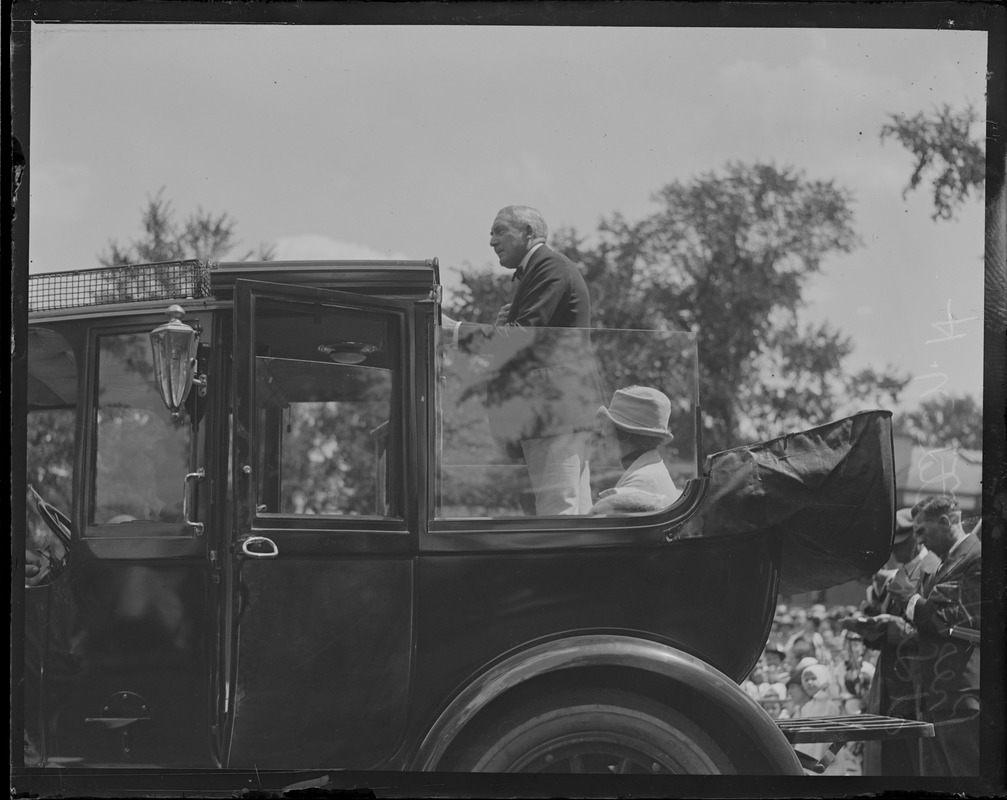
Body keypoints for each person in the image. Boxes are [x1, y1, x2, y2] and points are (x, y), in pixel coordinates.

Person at [442, 205, 597, 516]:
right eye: (491, 233)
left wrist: (454, 331)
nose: (491, 241)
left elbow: (518, 338)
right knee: (574, 515)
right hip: (554, 414)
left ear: (529, 232)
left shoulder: (549, 266)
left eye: (499, 231)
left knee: (557, 515)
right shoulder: (540, 269)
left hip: (551, 414)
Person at [856, 505, 941, 776]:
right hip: (891, 683)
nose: (894, 552)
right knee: (889, 761)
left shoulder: (934, 569)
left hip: (916, 685)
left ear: (917, 539)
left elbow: (938, 631)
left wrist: (894, 627)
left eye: (900, 544)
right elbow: (888, 628)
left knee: (915, 764)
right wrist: (871, 629)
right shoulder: (900, 573)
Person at [901, 494, 981, 776]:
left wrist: (909, 600)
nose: (919, 541)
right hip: (939, 692)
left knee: (965, 777)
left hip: (960, 691)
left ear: (946, 522)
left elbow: (956, 620)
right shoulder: (944, 563)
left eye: (922, 531)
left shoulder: (977, 557)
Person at [588, 386, 681, 515]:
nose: (603, 432)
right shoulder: (650, 470)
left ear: (625, 434)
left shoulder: (641, 482)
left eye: (609, 426)